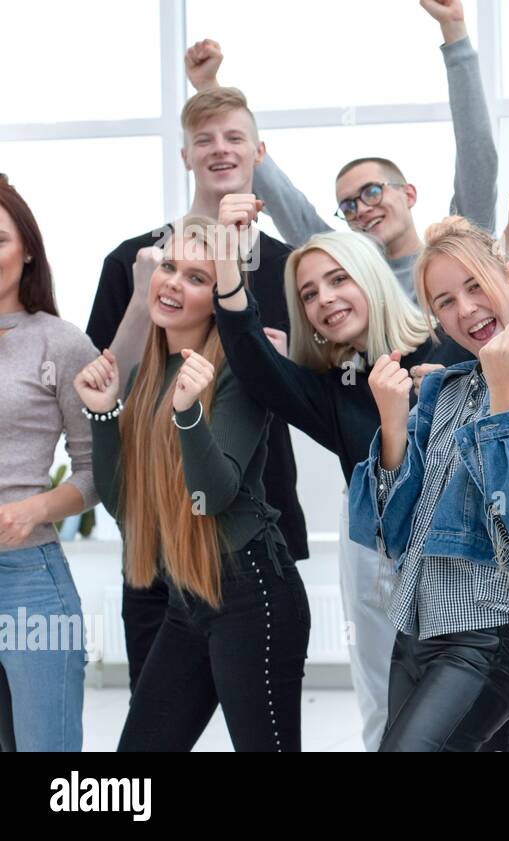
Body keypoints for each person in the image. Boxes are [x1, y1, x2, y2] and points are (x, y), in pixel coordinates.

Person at [347, 217, 509, 752]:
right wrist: (394, 423)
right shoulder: (444, 392)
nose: (464, 309)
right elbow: (386, 535)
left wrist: (505, 398)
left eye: (473, 286)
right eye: (444, 301)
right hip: (415, 630)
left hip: (489, 632)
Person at [84, 83, 308, 694]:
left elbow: (284, 384)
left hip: (246, 521)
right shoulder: (130, 261)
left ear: (259, 151)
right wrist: (142, 295)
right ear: (183, 154)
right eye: (202, 140)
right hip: (155, 521)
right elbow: (110, 381)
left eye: (233, 137)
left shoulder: (290, 268)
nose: (218, 150)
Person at [210, 189, 440, 750]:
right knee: (388, 719)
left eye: (338, 280)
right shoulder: (334, 394)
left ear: (371, 278)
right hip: (382, 573)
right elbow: (253, 360)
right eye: (308, 293)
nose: (323, 299)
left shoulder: (448, 350)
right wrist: (225, 259)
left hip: (472, 584)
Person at [77, 216, 310, 751]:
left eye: (197, 277)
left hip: (253, 593)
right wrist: (104, 415)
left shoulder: (241, 368)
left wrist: (188, 415)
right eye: (169, 267)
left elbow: (215, 494)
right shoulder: (144, 375)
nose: (174, 283)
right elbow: (127, 508)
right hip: (189, 598)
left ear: (218, 297)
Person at [189, 0, 496, 306]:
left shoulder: (459, 250)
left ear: (409, 194)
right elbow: (287, 206)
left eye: (372, 191)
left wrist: (454, 32)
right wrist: (208, 89)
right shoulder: (345, 268)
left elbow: (476, 154)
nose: (361, 209)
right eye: (348, 206)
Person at [0, 176, 99, 752]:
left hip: (27, 581)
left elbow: (97, 474)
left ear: (27, 249)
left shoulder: (60, 343)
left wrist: (34, 508)